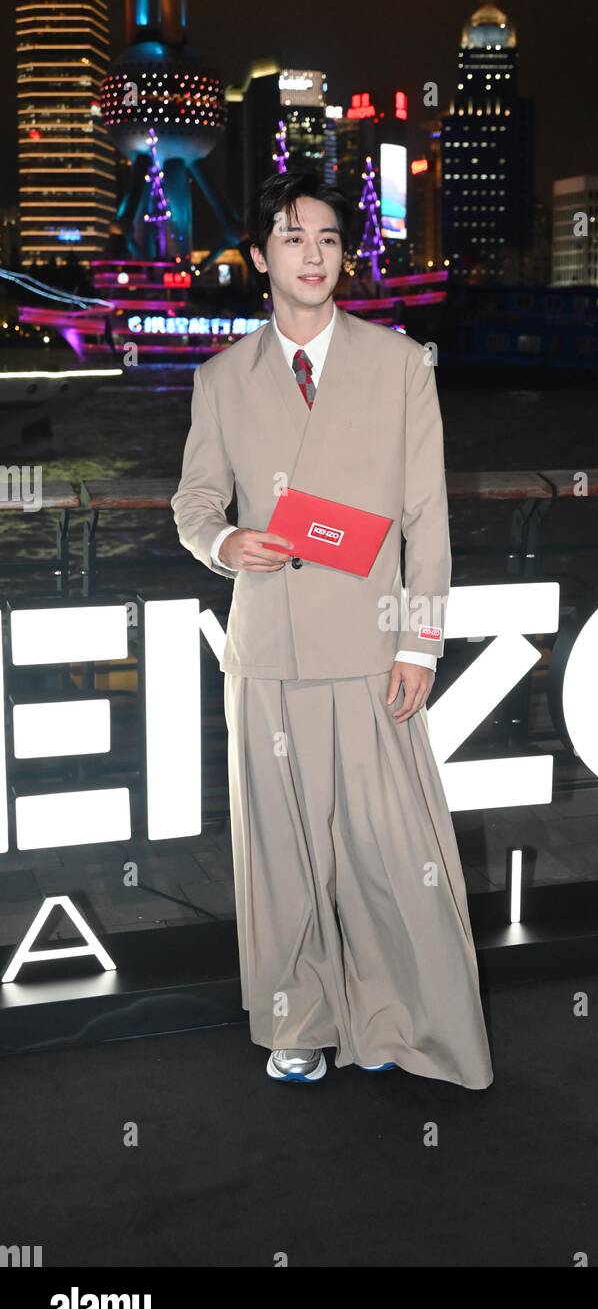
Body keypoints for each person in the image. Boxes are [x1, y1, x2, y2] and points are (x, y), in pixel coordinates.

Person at [170, 170, 493, 1090]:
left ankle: (398, 1016)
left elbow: (427, 516)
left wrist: (418, 642)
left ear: (345, 255)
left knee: (394, 854)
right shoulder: (221, 378)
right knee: (280, 857)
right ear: (260, 256)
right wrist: (227, 539)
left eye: (327, 238)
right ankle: (297, 1021)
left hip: (373, 644)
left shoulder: (400, 364)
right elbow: (194, 499)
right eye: (291, 237)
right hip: (267, 649)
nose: (311, 254)